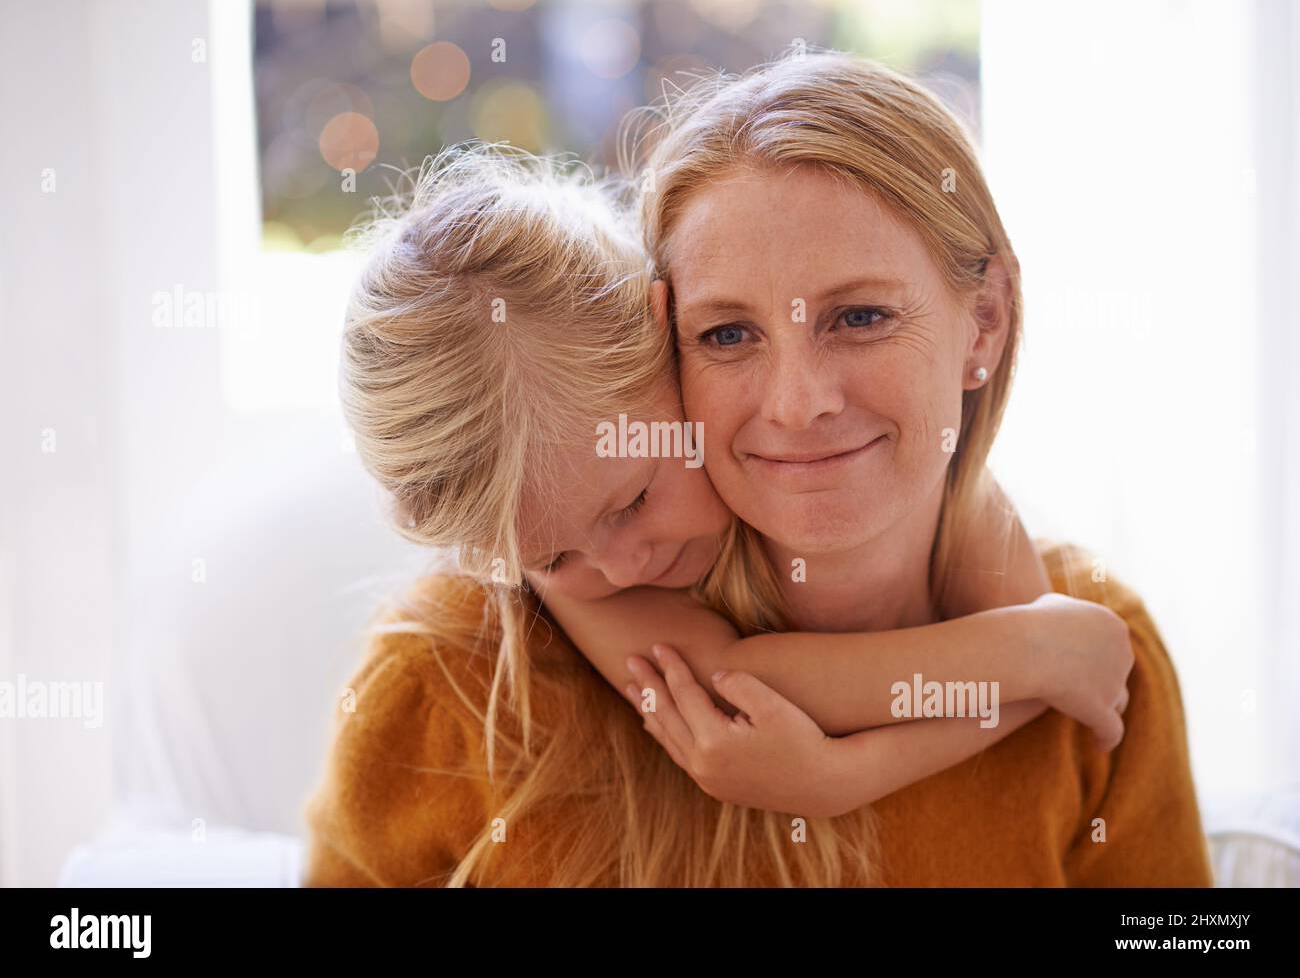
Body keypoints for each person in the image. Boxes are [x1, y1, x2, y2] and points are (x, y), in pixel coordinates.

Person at [303, 53, 1211, 887]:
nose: (796, 403)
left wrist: (1042, 661)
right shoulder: (446, 682)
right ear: (672, 342)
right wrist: (1024, 670)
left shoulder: (1093, 644)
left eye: (860, 317)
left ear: (984, 322)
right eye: (729, 333)